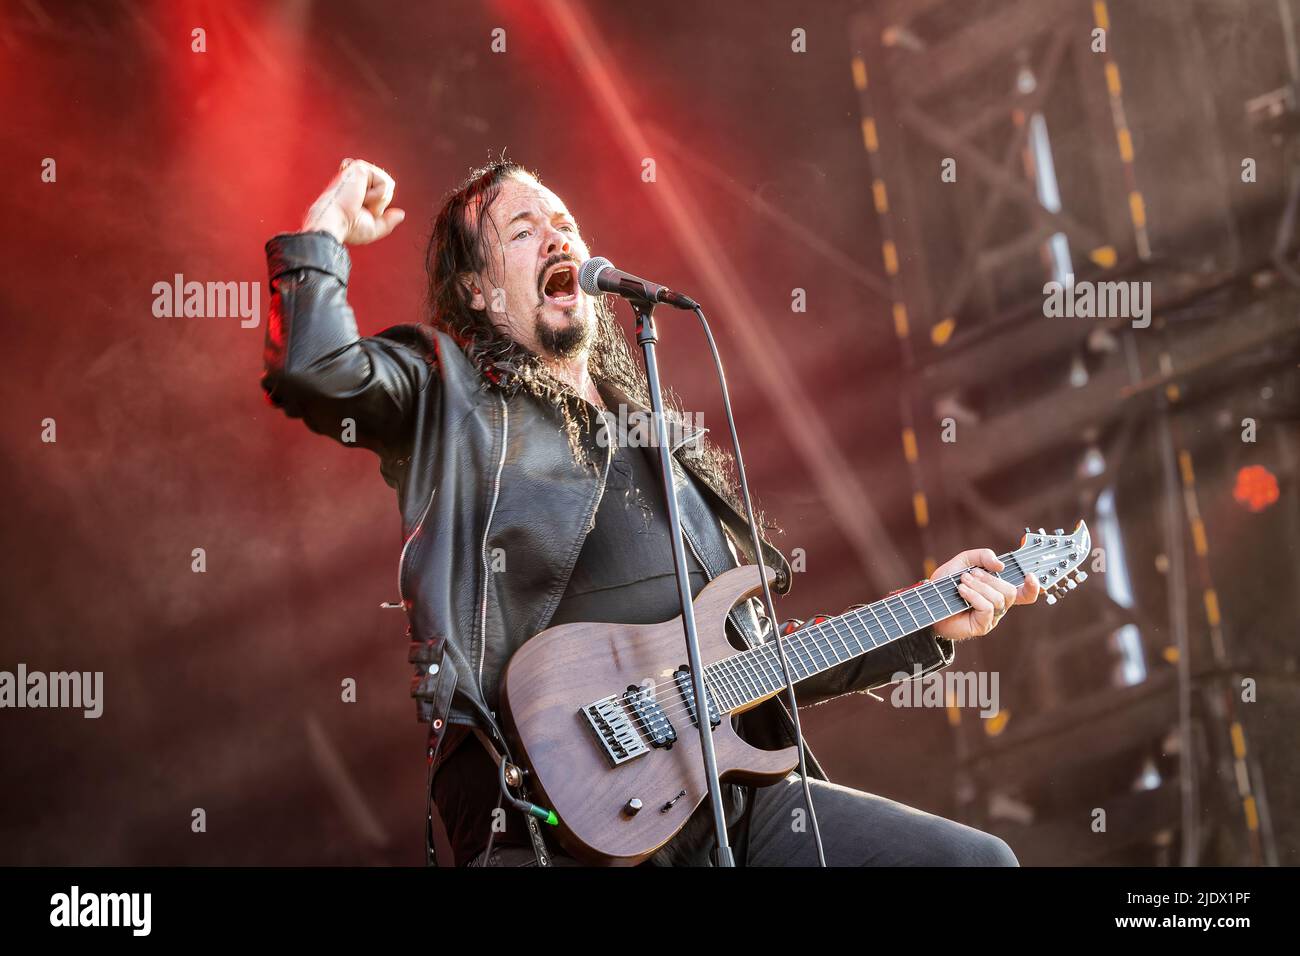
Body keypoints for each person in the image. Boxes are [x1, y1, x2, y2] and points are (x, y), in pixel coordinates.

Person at [260, 156, 1040, 867]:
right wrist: (324, 230)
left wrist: (927, 620)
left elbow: (751, 655)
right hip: (545, 809)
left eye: (563, 222)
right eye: (522, 230)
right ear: (477, 287)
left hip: (726, 804)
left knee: (976, 864)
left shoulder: (656, 438)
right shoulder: (451, 395)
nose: (555, 236)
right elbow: (317, 370)